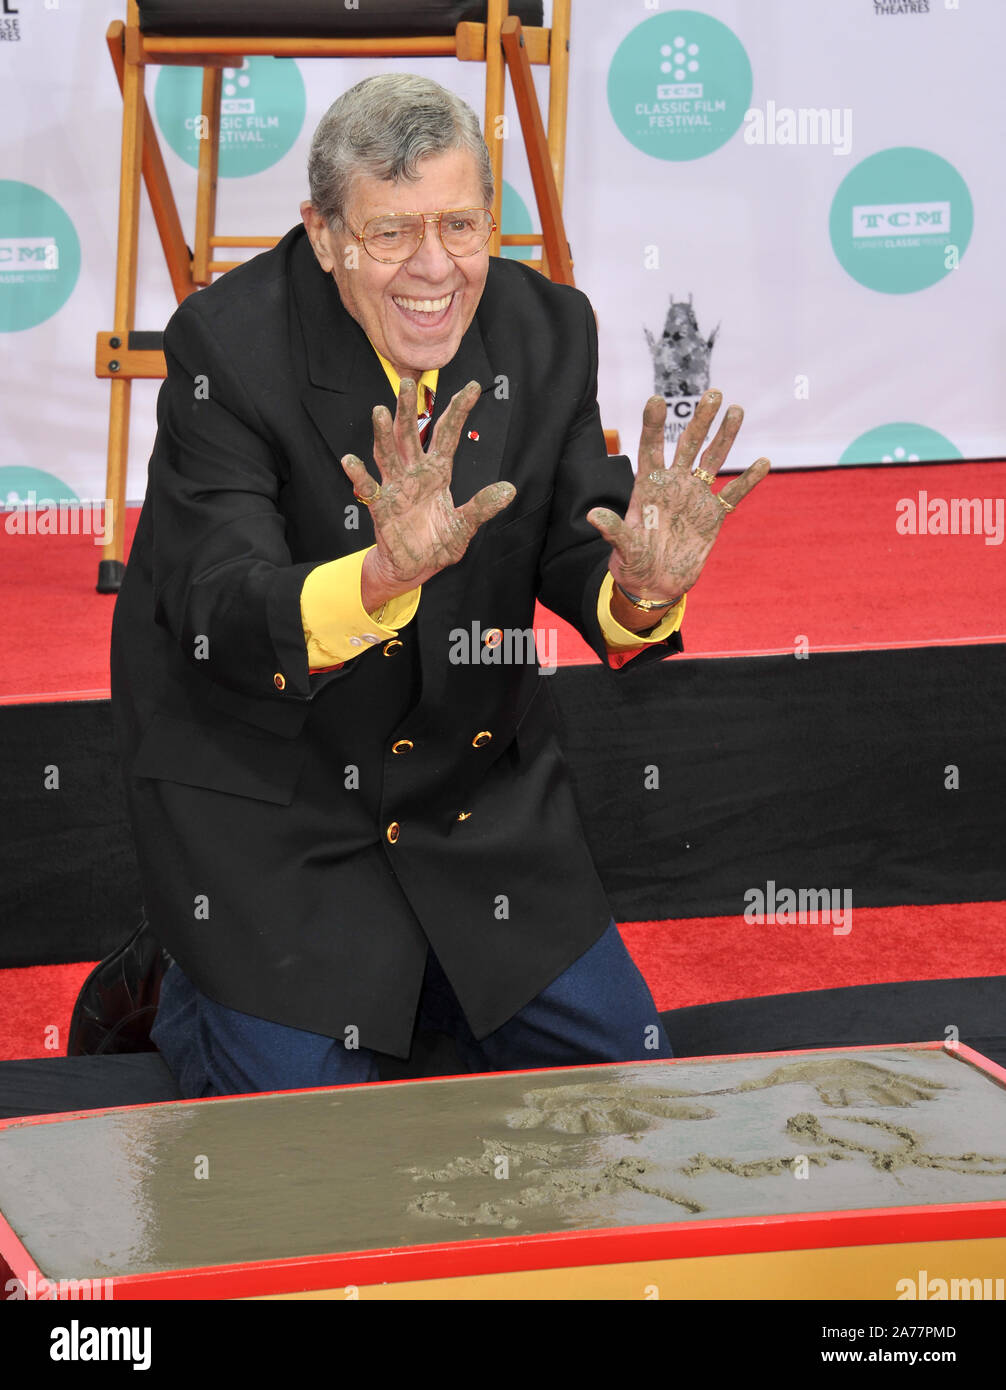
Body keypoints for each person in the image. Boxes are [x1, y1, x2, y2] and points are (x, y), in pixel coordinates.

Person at [110, 73, 769, 1099]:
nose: (435, 268)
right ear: (322, 234)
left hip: (472, 803)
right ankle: (172, 978)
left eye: (460, 225)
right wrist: (378, 578)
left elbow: (579, 539)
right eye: (389, 235)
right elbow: (217, 606)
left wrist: (638, 590)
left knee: (625, 1119)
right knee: (305, 1164)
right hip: (272, 805)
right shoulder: (224, 347)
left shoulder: (547, 327)